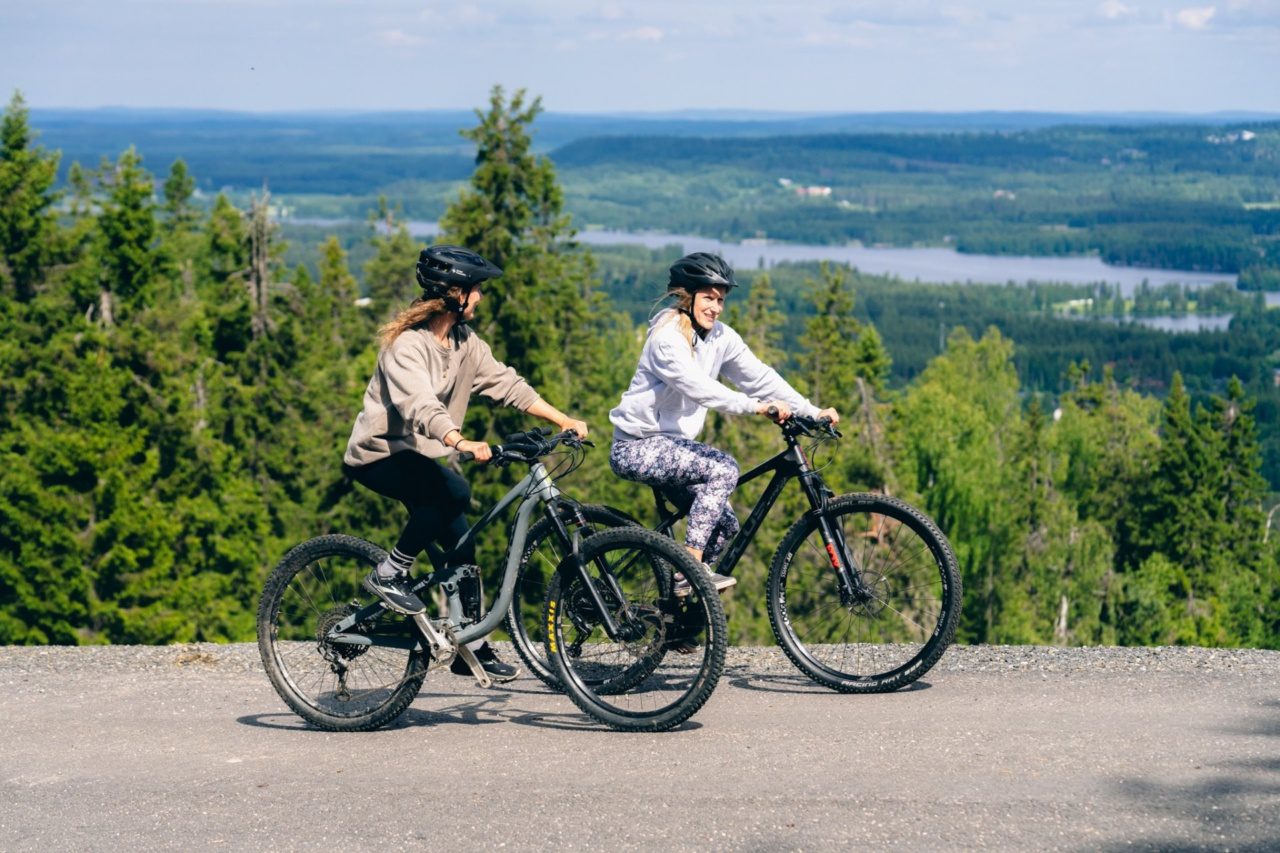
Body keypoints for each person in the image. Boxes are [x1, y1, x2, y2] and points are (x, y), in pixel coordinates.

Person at [343, 244, 588, 683]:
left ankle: (468, 647)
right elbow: (419, 405)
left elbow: (506, 383)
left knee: (463, 551)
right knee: (454, 491)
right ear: (454, 293)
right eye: (476, 290)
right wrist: (459, 440)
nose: (480, 298)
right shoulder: (408, 347)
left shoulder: (464, 342)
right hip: (380, 454)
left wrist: (562, 419)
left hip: (421, 455)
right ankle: (389, 573)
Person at [608, 252, 839, 595]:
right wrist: (756, 408)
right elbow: (699, 388)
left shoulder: (720, 338)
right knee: (723, 468)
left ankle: (676, 614)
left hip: (673, 448)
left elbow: (760, 377)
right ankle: (690, 571)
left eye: (721, 300)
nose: (716, 307)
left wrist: (809, 410)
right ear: (687, 297)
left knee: (724, 524)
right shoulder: (666, 338)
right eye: (708, 298)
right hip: (637, 446)